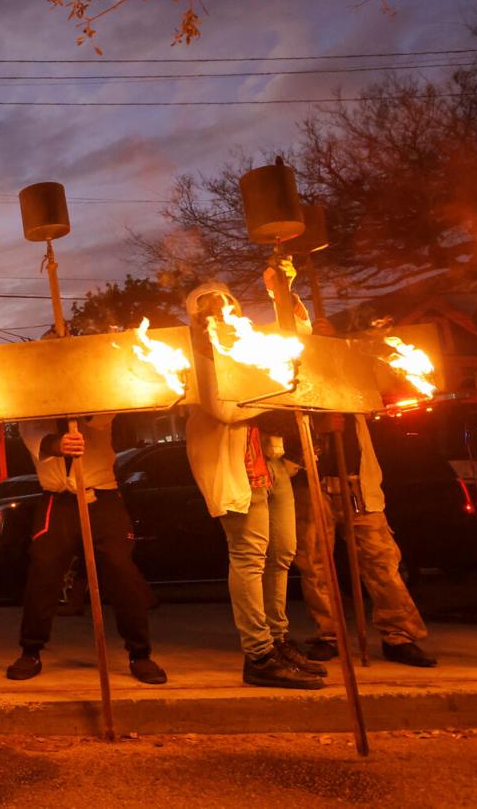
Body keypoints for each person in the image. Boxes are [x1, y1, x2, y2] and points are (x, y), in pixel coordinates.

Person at [183, 282, 324, 690]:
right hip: (234, 467)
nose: (219, 311)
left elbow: (297, 339)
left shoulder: (246, 346)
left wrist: (285, 294)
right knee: (249, 557)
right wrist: (279, 395)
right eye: (209, 307)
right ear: (196, 317)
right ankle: (259, 654)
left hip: (270, 462)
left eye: (225, 303)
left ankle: (278, 640)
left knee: (282, 553)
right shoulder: (198, 354)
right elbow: (225, 409)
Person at [291, 323, 436, 667]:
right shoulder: (291, 373)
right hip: (312, 483)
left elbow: (386, 391)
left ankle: (398, 635)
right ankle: (329, 634)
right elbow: (281, 427)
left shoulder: (355, 373)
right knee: (316, 564)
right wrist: (317, 427)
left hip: (357, 482)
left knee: (381, 560)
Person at [6, 414, 166, 684]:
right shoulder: (33, 409)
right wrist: (58, 444)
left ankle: (140, 653)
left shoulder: (98, 402)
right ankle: (30, 650)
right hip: (57, 499)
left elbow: (99, 419)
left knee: (120, 568)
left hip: (102, 495)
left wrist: (80, 413)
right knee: (44, 570)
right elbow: (37, 436)